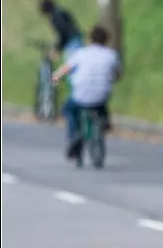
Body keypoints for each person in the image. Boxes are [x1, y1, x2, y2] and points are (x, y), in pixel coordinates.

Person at [52, 26, 122, 158]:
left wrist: (55, 77)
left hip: (81, 96)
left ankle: (74, 136)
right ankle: (104, 121)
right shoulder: (111, 55)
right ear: (106, 40)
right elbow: (118, 73)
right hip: (102, 95)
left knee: (69, 110)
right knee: (101, 105)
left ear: (90, 39)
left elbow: (64, 69)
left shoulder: (81, 53)